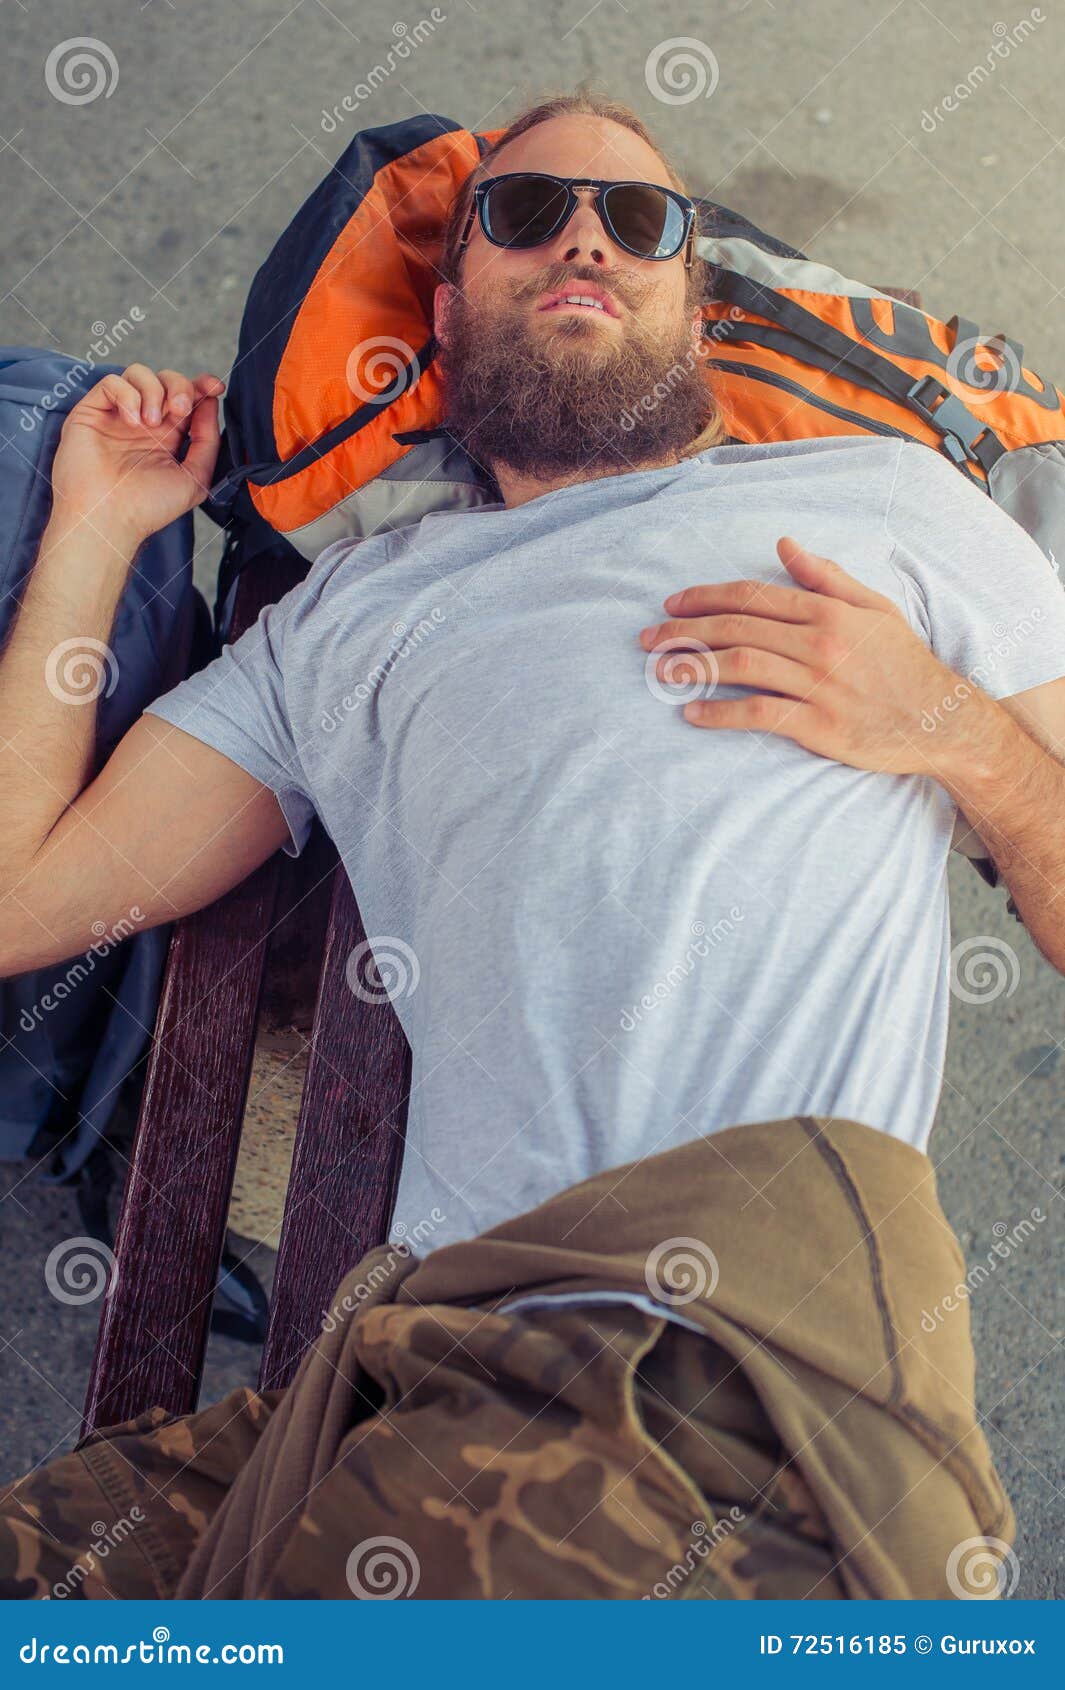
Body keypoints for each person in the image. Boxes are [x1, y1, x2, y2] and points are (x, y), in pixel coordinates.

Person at [1, 90, 1063, 1601]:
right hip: (416, 1374)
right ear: (446, 306)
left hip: (738, 1356)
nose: (583, 236)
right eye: (524, 210)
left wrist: (953, 728)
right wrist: (97, 530)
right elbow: (21, 895)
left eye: (638, 221)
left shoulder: (896, 511)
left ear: (696, 304)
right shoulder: (345, 622)